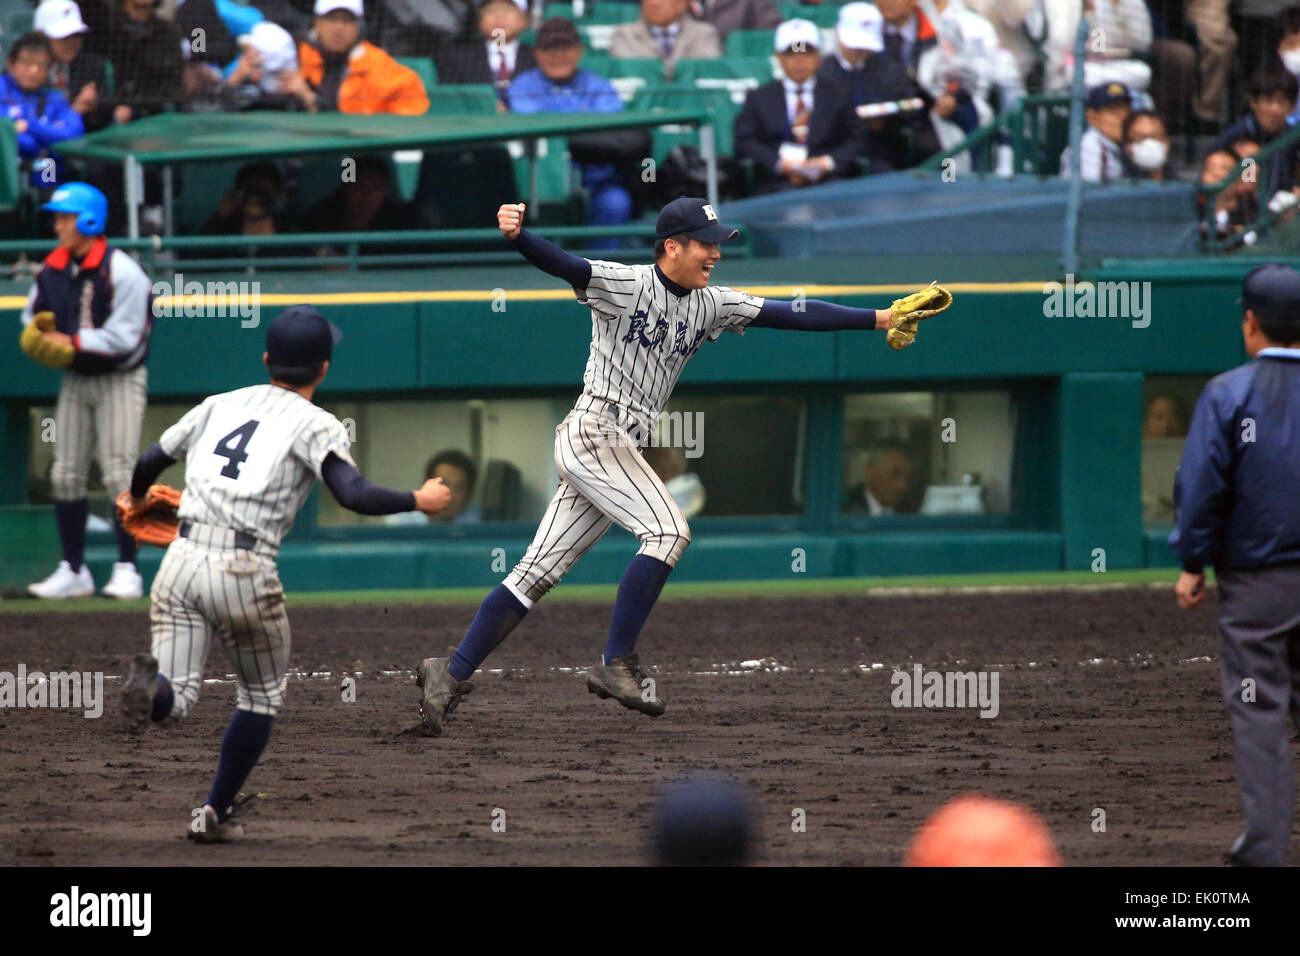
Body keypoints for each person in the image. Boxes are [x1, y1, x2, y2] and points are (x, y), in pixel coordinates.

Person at [412, 197, 951, 735]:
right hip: (594, 433)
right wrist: (519, 238)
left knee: (535, 574)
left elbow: (791, 313)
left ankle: (449, 672)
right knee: (669, 532)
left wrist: (880, 318)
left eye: (719, 242)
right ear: (673, 246)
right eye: (706, 243)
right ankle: (615, 662)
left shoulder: (711, 303)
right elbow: (566, 266)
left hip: (618, 447)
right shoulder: (624, 283)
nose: (716, 253)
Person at [117, 305, 452, 843]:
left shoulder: (218, 404)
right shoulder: (316, 423)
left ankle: (148, 690)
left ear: (268, 358)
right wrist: (420, 498)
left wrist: (134, 497)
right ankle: (213, 812)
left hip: (179, 561)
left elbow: (151, 460)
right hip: (244, 569)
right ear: (323, 367)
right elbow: (353, 493)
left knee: (175, 698)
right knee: (259, 699)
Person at [1170, 262, 1300, 866]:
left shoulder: (1229, 391)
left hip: (1258, 590)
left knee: (1260, 712)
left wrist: (1193, 561)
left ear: (1251, 322)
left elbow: (1201, 489)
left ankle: (1265, 857)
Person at [20, 183, 152, 600]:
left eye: (66, 217)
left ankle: (128, 568)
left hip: (119, 377)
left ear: (90, 221)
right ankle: (73, 569)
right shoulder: (51, 268)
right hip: (77, 378)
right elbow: (32, 314)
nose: (57, 225)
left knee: (118, 472)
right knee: (66, 473)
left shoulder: (124, 270)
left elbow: (126, 338)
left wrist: (71, 341)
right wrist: (40, 333)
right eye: (56, 217)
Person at [507, 18, 633, 243]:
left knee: (616, 203)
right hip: (538, 186)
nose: (557, 54)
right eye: (548, 48)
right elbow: (532, 123)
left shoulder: (598, 85)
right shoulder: (523, 85)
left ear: (579, 50)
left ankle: (602, 272)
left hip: (593, 180)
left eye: (564, 47)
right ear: (536, 52)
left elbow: (610, 128)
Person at [733, 19, 866, 193]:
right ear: (779, 57)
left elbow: (857, 138)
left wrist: (827, 163)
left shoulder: (838, 94)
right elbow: (744, 141)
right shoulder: (759, 98)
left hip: (829, 181)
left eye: (807, 52)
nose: (799, 60)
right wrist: (780, 164)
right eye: (791, 53)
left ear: (818, 57)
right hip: (776, 183)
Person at [289, 0, 429, 114]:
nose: (339, 27)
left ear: (358, 26)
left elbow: (414, 103)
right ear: (317, 23)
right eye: (331, 19)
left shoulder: (376, 63)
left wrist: (375, 121)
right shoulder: (295, 56)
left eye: (347, 20)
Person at [1, 32, 84, 187]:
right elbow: (4, 136)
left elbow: (73, 135)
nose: (34, 70)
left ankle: (46, 203)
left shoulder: (55, 97)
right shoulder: (2, 90)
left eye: (41, 65)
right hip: (7, 169)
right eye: (27, 63)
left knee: (49, 166)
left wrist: (28, 127)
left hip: (45, 167)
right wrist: (45, 138)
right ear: (11, 64)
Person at [1215, 63, 1300, 199]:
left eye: (1282, 101)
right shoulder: (1236, 136)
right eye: (1268, 101)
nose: (1275, 109)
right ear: (1253, 102)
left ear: (1292, 106)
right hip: (1241, 214)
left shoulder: (1293, 137)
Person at [99, 0, 184, 122]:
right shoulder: (107, 29)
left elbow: (174, 80)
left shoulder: (169, 31)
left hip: (158, 116)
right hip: (115, 117)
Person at [34, 0, 112, 133]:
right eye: (63, 37)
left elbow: (105, 118)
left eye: (76, 35)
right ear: (42, 37)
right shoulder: (26, 71)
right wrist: (74, 111)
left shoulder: (93, 67)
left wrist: (93, 107)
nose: (71, 43)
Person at [435, 0, 537, 100]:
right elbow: (449, 100)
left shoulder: (538, 57)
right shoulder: (456, 58)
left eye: (508, 10)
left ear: (524, 20)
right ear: (479, 21)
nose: (499, 16)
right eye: (491, 11)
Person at [609, 0, 722, 81]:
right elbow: (629, 75)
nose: (654, 3)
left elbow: (707, 75)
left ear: (682, 3)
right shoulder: (623, 35)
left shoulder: (705, 34)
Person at [1057, 82, 1130, 183]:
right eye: (1113, 111)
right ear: (1092, 116)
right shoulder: (1088, 148)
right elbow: (1089, 195)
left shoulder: (1121, 146)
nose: (1123, 117)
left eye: (1126, 110)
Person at [845, 439, 916, 515]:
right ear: (870, 469)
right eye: (894, 474)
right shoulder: (844, 512)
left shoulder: (910, 514)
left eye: (908, 477)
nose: (902, 485)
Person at [1121, 109, 1174, 181]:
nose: (1150, 144)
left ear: (1167, 142)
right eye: (1140, 138)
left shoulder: (1184, 187)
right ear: (1127, 146)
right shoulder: (1116, 186)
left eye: (1156, 137)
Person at [688, 0, 780, 41]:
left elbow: (777, 34)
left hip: (735, 71)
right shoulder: (685, 5)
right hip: (694, 68)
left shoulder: (751, 2)